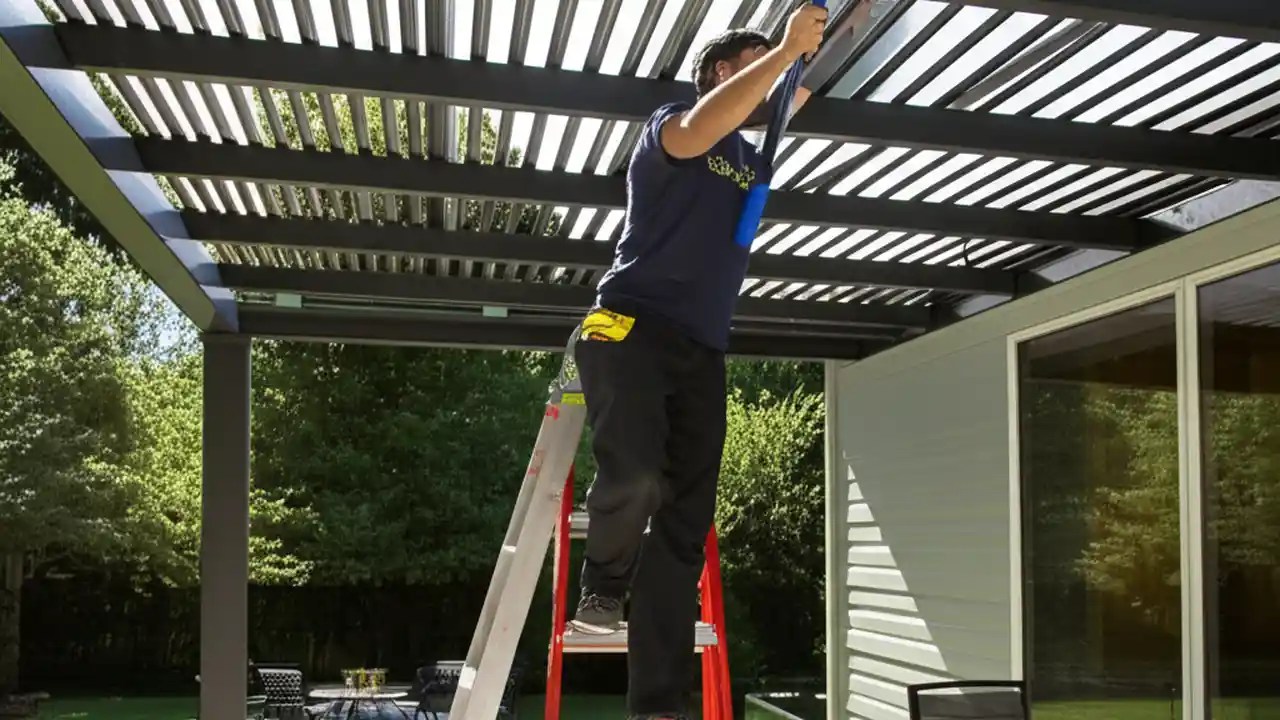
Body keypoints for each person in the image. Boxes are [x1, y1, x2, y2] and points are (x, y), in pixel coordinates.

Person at [568, 4, 829, 719]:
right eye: (756, 60)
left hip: (701, 347)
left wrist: (821, 34)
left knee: (686, 526)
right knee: (638, 476)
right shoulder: (673, 126)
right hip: (630, 325)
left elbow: (804, 80)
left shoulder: (754, 150)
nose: (774, 68)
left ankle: (659, 707)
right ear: (720, 71)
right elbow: (715, 119)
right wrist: (783, 49)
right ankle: (603, 583)